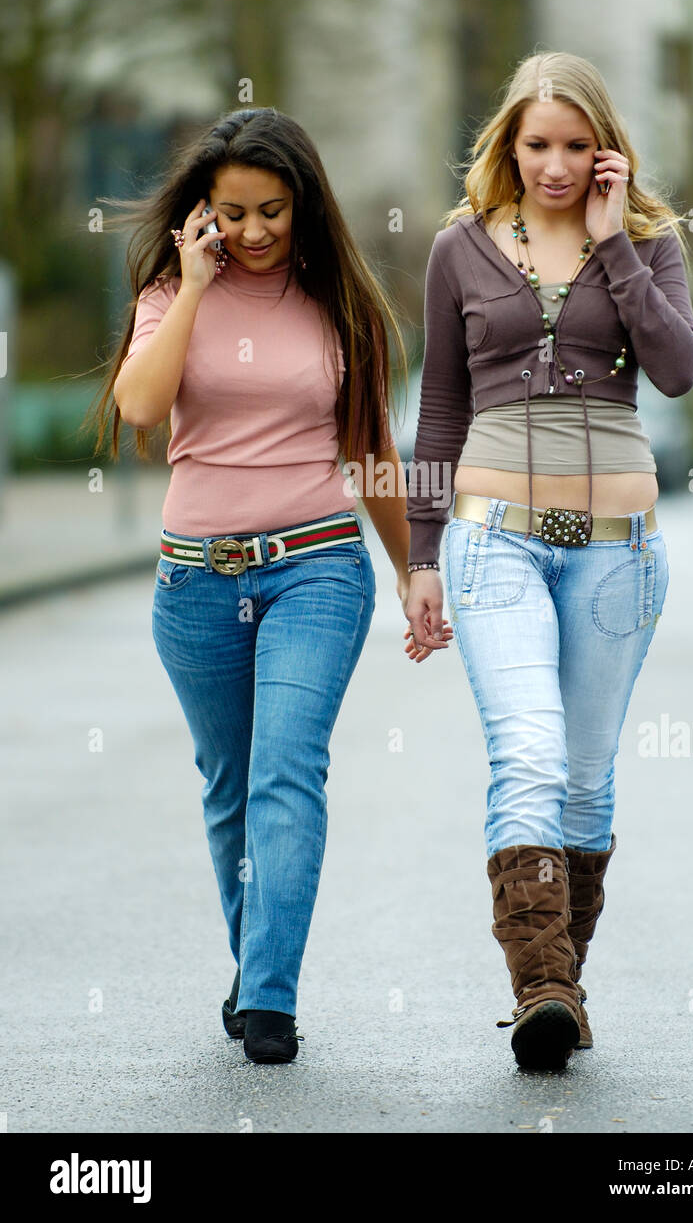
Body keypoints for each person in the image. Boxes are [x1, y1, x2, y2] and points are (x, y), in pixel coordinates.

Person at [88, 107, 450, 1064]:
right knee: (230, 785)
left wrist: (416, 566)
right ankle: (257, 966)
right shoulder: (173, 295)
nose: (252, 232)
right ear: (200, 214)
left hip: (317, 566)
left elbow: (371, 449)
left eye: (273, 212)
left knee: (287, 769)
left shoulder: (340, 305)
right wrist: (197, 290)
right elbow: (140, 405)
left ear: (305, 207)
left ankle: (270, 1000)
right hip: (197, 581)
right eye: (232, 213)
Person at [402, 51, 693, 1071]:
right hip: (495, 541)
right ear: (508, 144)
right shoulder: (457, 248)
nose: (557, 165)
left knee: (583, 778)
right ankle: (539, 983)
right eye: (538, 144)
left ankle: (562, 985)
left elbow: (673, 368)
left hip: (618, 551)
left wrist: (616, 247)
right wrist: (421, 555)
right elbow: (440, 405)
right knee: (526, 755)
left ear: (605, 149)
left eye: (577, 146)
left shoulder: (648, 243)